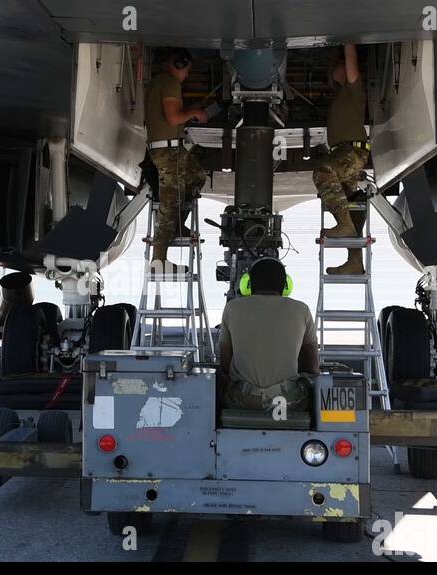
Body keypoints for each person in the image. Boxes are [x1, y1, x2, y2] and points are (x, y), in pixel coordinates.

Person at [219, 258, 319, 411]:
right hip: (285, 402)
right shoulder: (301, 310)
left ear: (250, 284)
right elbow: (312, 365)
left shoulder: (232, 308)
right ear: (284, 285)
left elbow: (225, 363)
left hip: (242, 399)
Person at [145, 48, 209, 274]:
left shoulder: (159, 82)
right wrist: (195, 113)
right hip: (167, 152)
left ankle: (177, 227)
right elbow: (173, 118)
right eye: (187, 70)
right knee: (170, 204)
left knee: (196, 177)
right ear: (179, 64)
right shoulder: (170, 82)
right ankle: (158, 262)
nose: (187, 75)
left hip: (171, 150)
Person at [313, 43, 370, 275]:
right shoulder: (342, 95)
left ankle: (344, 225)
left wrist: (347, 41)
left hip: (351, 152)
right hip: (344, 153)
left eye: (339, 66)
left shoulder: (353, 89)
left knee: (323, 173)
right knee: (352, 203)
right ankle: (355, 261)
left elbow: (351, 60)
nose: (333, 71)